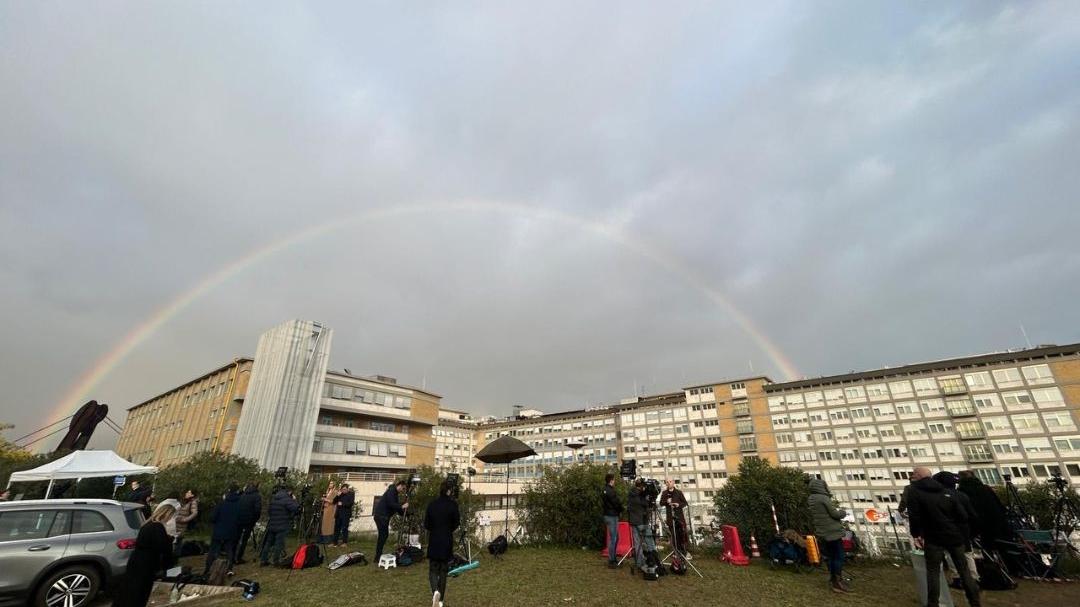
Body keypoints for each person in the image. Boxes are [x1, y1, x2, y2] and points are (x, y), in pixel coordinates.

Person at [907, 467, 981, 607]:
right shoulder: (946, 491)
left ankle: (933, 603)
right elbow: (963, 516)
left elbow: (914, 516)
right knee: (964, 571)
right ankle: (974, 601)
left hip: (933, 537)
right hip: (954, 536)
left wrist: (916, 534)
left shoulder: (915, 492)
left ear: (918, 475)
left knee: (933, 572)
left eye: (913, 474)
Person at [114, 504, 176, 607]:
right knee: (140, 590)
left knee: (129, 587)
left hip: (136, 559)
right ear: (166, 514)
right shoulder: (158, 527)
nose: (170, 518)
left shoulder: (147, 524)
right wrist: (169, 540)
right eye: (171, 516)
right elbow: (162, 547)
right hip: (146, 562)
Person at [933, 471, 980, 585]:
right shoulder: (962, 495)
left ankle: (958, 577)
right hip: (964, 529)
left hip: (948, 529)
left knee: (950, 554)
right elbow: (972, 514)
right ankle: (974, 578)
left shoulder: (939, 496)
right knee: (968, 553)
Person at [807, 477, 849, 593]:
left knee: (830, 556)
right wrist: (843, 512)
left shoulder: (811, 498)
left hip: (822, 531)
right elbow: (834, 514)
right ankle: (837, 582)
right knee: (838, 556)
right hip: (832, 531)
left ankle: (833, 578)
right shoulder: (824, 498)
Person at [424, 478, 460, 607]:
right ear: (449, 491)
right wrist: (448, 529)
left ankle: (435, 592)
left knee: (433, 569)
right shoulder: (453, 505)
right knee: (443, 571)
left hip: (434, 539)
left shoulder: (432, 504)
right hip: (446, 540)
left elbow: (426, 524)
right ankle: (440, 601)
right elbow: (457, 523)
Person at [957, 470, 1011, 550]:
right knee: (1003, 548)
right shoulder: (986, 488)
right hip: (997, 522)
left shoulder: (961, 492)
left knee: (985, 549)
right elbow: (999, 505)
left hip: (979, 526)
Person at [204, 483, 242, 576]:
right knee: (230, 550)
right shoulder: (240, 504)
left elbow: (212, 517)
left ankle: (208, 568)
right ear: (237, 491)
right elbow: (241, 519)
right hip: (232, 531)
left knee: (213, 550)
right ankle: (229, 569)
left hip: (219, 530)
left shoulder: (221, 504)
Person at [261, 486, 299, 567]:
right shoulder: (287, 500)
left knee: (268, 543)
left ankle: (263, 560)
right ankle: (276, 561)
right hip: (282, 524)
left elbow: (269, 511)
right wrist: (294, 500)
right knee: (279, 543)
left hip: (272, 524)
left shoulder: (274, 499)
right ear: (289, 492)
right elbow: (296, 508)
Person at [373, 480, 409, 562]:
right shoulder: (391, 491)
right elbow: (391, 504)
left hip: (383, 517)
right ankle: (377, 557)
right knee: (383, 536)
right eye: (403, 488)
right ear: (399, 485)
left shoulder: (394, 493)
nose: (402, 491)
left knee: (383, 536)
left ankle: (378, 555)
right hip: (381, 516)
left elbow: (395, 507)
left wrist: (407, 514)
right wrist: (402, 506)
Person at [659, 479, 690, 559]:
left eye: (670, 482)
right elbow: (661, 503)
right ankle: (676, 552)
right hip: (670, 518)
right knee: (674, 535)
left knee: (682, 535)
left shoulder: (678, 492)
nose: (668, 483)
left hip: (679, 517)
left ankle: (684, 552)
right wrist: (666, 501)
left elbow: (685, 503)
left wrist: (678, 504)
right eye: (667, 482)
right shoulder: (664, 493)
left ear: (673, 483)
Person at [626, 478, 650, 573]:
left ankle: (640, 562)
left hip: (633, 521)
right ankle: (649, 561)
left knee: (637, 543)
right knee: (648, 541)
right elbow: (645, 504)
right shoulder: (640, 495)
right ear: (641, 486)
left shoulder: (630, 493)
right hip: (641, 521)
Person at [234, 482, 262, 564]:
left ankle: (233, 556)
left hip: (239, 519)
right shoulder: (256, 496)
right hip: (249, 521)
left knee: (237, 538)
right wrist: (254, 519)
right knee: (244, 540)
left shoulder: (243, 495)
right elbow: (257, 510)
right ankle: (238, 557)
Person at [601, 473, 622, 569]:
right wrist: (621, 509)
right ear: (611, 480)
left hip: (607, 515)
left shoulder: (604, 490)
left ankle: (613, 557)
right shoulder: (610, 491)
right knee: (613, 538)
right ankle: (611, 560)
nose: (615, 481)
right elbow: (616, 503)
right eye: (614, 480)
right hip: (612, 515)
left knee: (615, 537)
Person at [174, 489, 199, 556]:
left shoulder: (193, 502)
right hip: (175, 523)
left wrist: (185, 519)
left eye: (189, 492)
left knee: (178, 540)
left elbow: (194, 513)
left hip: (182, 524)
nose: (187, 493)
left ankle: (175, 557)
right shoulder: (182, 500)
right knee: (174, 540)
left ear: (192, 495)